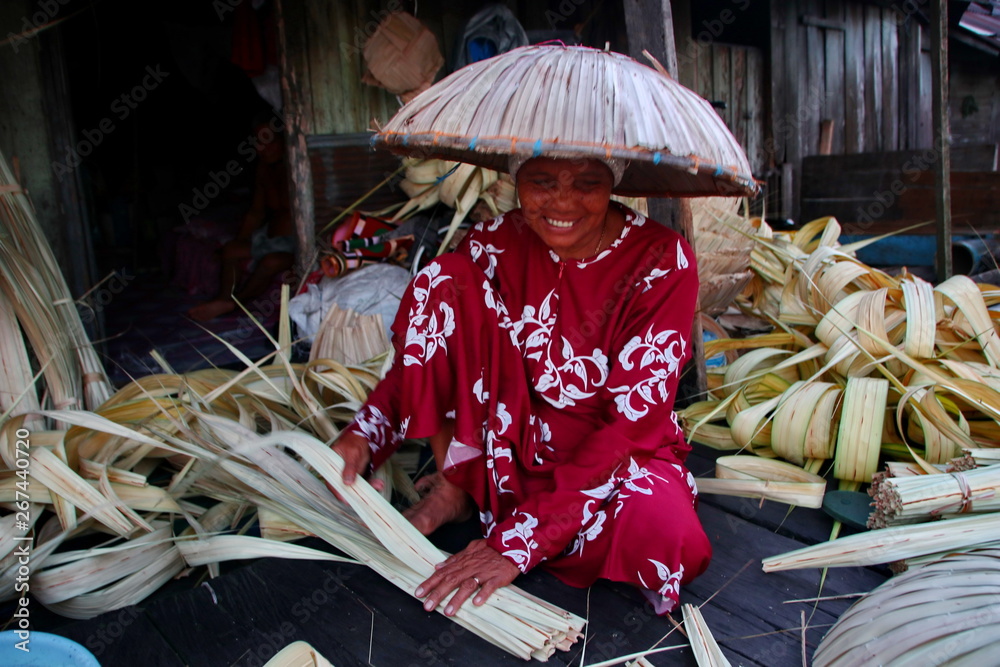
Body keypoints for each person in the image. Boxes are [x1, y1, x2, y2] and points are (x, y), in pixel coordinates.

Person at [332, 155, 711, 618]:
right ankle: (457, 487)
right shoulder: (492, 242)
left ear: (614, 181)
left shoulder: (661, 260)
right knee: (441, 282)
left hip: (610, 459)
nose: (563, 202)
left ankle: (519, 520)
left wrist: (517, 543)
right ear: (515, 178)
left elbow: (630, 428)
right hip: (503, 451)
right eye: (542, 181)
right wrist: (364, 433)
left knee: (667, 535)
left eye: (588, 183)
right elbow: (431, 347)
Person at [187, 122, 294, 321]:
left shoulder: (298, 168)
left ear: (284, 141)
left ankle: (235, 304)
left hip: (295, 245)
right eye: (258, 142)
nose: (262, 148)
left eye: (269, 141)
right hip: (270, 237)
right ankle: (223, 298)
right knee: (230, 249)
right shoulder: (264, 170)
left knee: (270, 262)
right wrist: (242, 241)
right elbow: (255, 212)